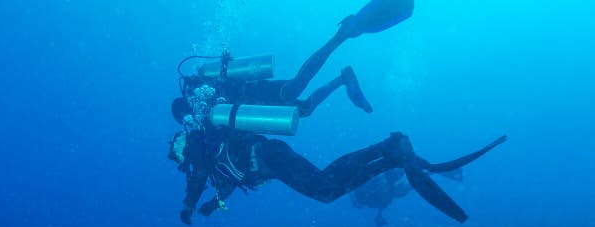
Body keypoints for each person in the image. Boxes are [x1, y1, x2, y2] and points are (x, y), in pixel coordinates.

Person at [168, 127, 506, 225]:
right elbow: (223, 178)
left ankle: (385, 146)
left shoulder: (197, 143)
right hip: (270, 161)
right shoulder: (210, 157)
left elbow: (196, 175)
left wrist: (188, 206)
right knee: (327, 191)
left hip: (269, 156)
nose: (180, 160)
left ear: (181, 143)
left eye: (177, 154)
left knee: (324, 184)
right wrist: (214, 203)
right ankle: (390, 158)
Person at [174, 0, 415, 120]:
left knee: (293, 89)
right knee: (306, 110)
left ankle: (340, 37)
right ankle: (343, 78)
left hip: (260, 94)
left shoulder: (204, 92)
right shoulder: (206, 106)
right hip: (260, 107)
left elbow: (229, 79)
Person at [351, 167, 464, 226]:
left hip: (385, 189)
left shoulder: (368, 191)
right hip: (386, 192)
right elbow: (381, 201)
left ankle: (444, 171)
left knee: (406, 180)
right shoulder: (372, 195)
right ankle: (445, 172)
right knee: (409, 183)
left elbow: (379, 191)